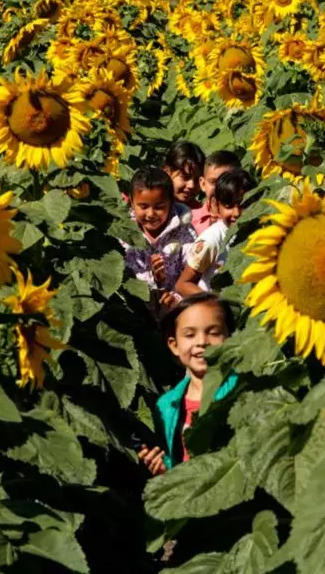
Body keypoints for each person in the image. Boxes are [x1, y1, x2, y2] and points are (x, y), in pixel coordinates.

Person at [138, 293, 239, 475]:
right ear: (174, 345)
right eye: (190, 334)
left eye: (214, 333)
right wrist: (164, 469)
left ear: (230, 339)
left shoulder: (243, 390)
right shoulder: (166, 405)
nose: (202, 342)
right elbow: (176, 460)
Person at [121, 166, 196, 315]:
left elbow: (193, 274)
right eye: (143, 206)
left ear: (171, 203)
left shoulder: (184, 232)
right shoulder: (123, 232)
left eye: (159, 207)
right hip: (134, 314)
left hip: (175, 313)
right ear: (131, 202)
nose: (151, 214)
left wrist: (175, 298)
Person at [176, 168, 257, 297]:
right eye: (229, 206)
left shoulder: (260, 232)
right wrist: (214, 302)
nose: (236, 213)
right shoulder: (211, 240)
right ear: (216, 204)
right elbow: (183, 284)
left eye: (244, 205)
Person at [192, 150, 241, 235]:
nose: (219, 188)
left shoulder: (246, 217)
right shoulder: (189, 221)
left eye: (227, 181)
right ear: (203, 184)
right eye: (213, 182)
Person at [162, 141, 205, 212]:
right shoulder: (151, 205)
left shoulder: (199, 212)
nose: (192, 185)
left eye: (197, 180)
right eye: (185, 177)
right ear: (167, 172)